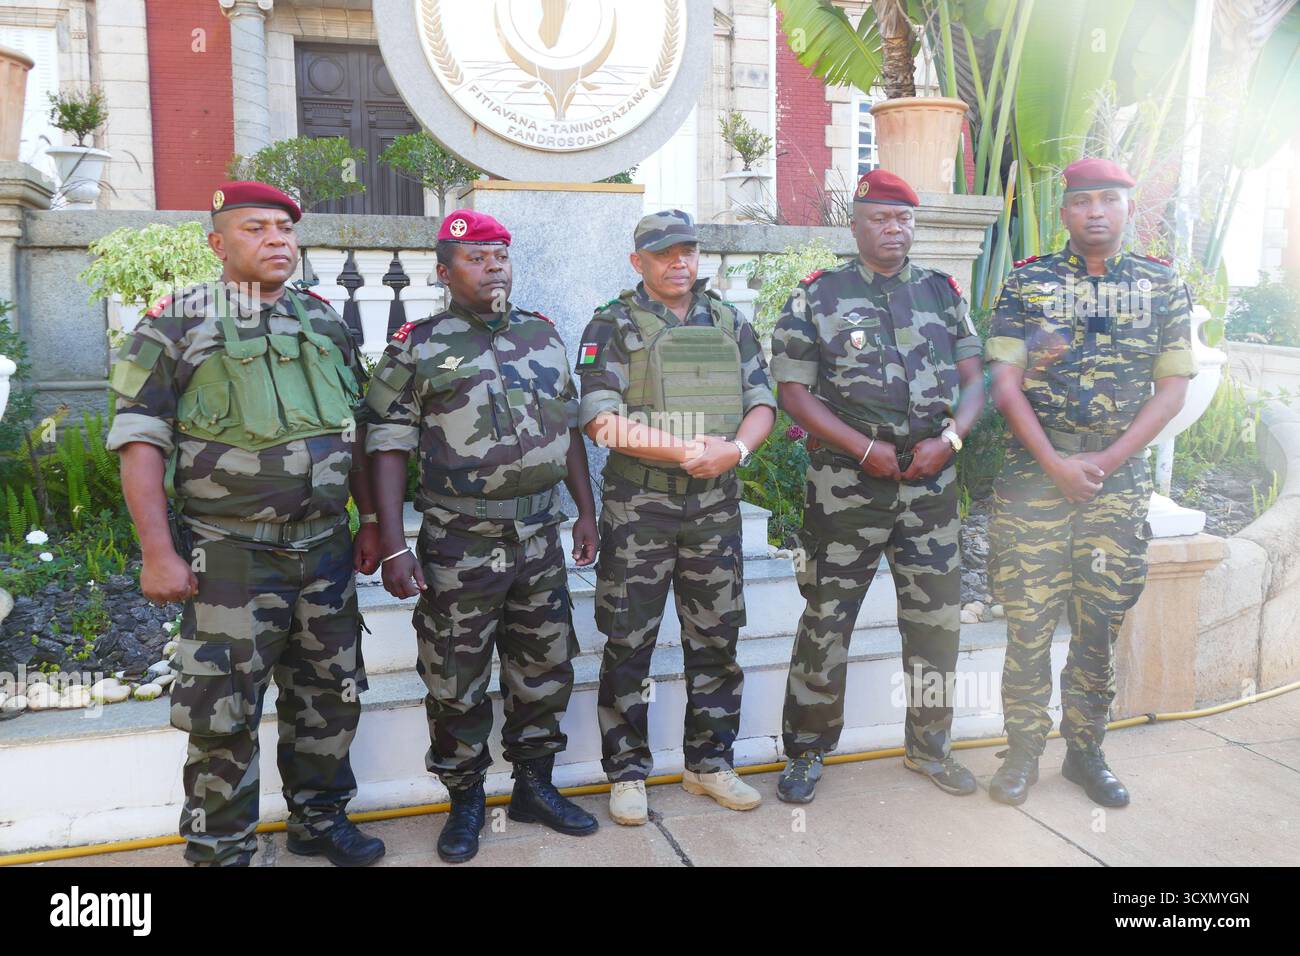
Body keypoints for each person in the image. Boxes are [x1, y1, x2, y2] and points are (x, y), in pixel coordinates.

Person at [107, 180, 385, 867]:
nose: (276, 241)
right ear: (218, 243)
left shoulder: (323, 321)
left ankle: (319, 821)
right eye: (256, 228)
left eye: (286, 230)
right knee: (221, 714)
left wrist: (372, 519)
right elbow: (140, 441)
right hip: (230, 558)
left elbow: (353, 430)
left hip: (324, 550)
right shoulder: (175, 324)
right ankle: (220, 849)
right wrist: (157, 553)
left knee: (329, 695)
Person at [365, 210, 600, 864]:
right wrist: (391, 542)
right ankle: (466, 798)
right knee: (455, 674)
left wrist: (585, 510)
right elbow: (385, 445)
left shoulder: (543, 336)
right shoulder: (418, 345)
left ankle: (533, 787)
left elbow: (569, 429)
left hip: (538, 536)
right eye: (477, 257)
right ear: (445, 272)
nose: (494, 264)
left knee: (544, 665)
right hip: (459, 540)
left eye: (500, 254)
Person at [770, 169, 986, 804]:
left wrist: (949, 442)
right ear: (856, 223)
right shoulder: (820, 295)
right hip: (845, 486)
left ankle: (930, 746)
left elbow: (975, 382)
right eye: (881, 218)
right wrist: (861, 448)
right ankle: (806, 752)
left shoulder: (942, 292)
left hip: (931, 485)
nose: (895, 230)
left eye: (904, 219)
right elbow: (793, 392)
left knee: (934, 622)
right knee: (827, 620)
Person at [984, 157, 1194, 807]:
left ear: (1128, 208)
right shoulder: (1030, 283)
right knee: (1027, 621)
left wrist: (1105, 461)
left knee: (1098, 621)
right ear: (1065, 211)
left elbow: (1172, 389)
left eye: (1108, 200)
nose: (1095, 212)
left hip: (1115, 483)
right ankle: (1021, 752)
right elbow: (1004, 382)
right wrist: (1053, 462)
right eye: (1082, 201)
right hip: (1033, 481)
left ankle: (1085, 752)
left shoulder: (1162, 288)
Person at [577, 209, 776, 826]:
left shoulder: (728, 321)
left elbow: (761, 401)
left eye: (687, 251)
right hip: (640, 507)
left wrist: (735, 451)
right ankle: (628, 771)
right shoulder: (611, 325)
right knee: (629, 641)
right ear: (639, 262)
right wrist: (687, 452)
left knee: (716, 638)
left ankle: (708, 763)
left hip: (714, 507)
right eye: (665, 254)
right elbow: (600, 420)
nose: (679, 262)